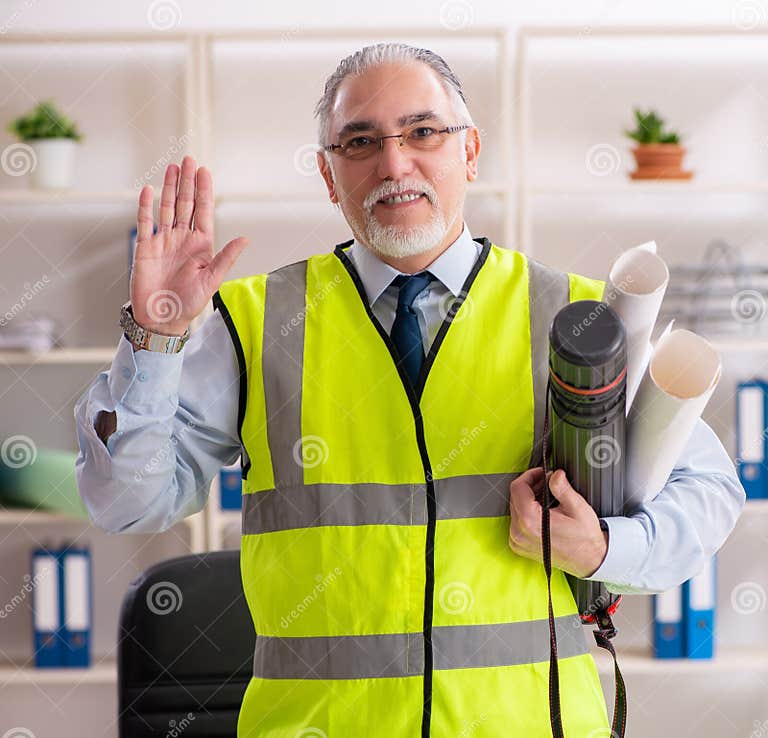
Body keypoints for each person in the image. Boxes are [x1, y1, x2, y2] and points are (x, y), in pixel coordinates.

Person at [75, 43, 745, 737]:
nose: (394, 164)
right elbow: (126, 503)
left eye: (424, 132)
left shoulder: (580, 321)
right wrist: (154, 342)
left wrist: (604, 549)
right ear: (331, 177)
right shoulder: (250, 322)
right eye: (360, 141)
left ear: (471, 151)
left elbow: (709, 493)